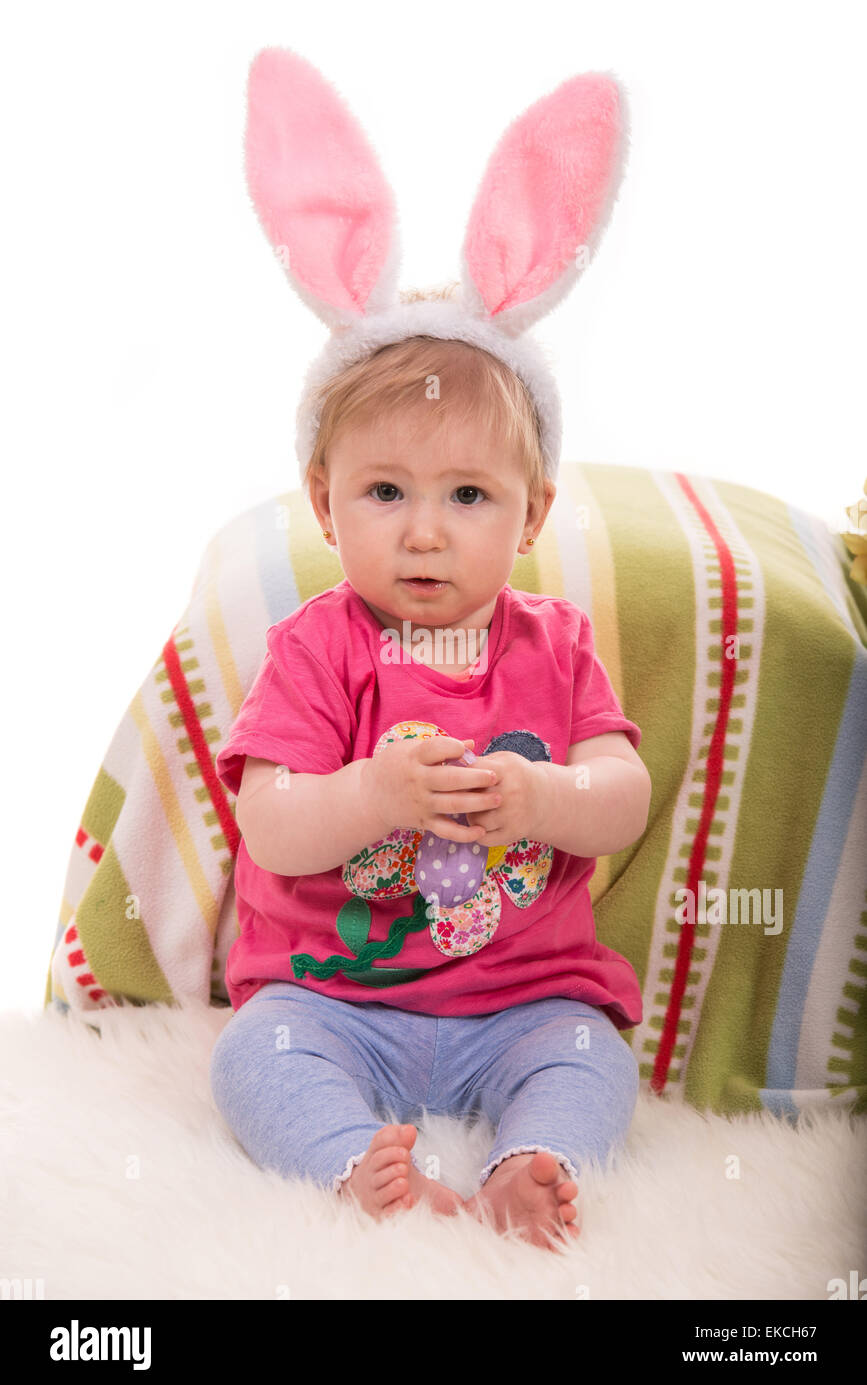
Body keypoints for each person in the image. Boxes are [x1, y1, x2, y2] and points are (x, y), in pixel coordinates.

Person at [210, 48, 648, 1249]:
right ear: (325, 500)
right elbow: (274, 819)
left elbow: (623, 796)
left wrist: (543, 793)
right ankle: (361, 1162)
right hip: (335, 998)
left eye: (466, 495)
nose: (421, 530)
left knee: (594, 1056)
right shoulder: (319, 645)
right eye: (386, 490)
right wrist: (374, 791)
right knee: (253, 1055)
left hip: (523, 999)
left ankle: (530, 1159)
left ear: (533, 515)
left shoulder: (554, 644)